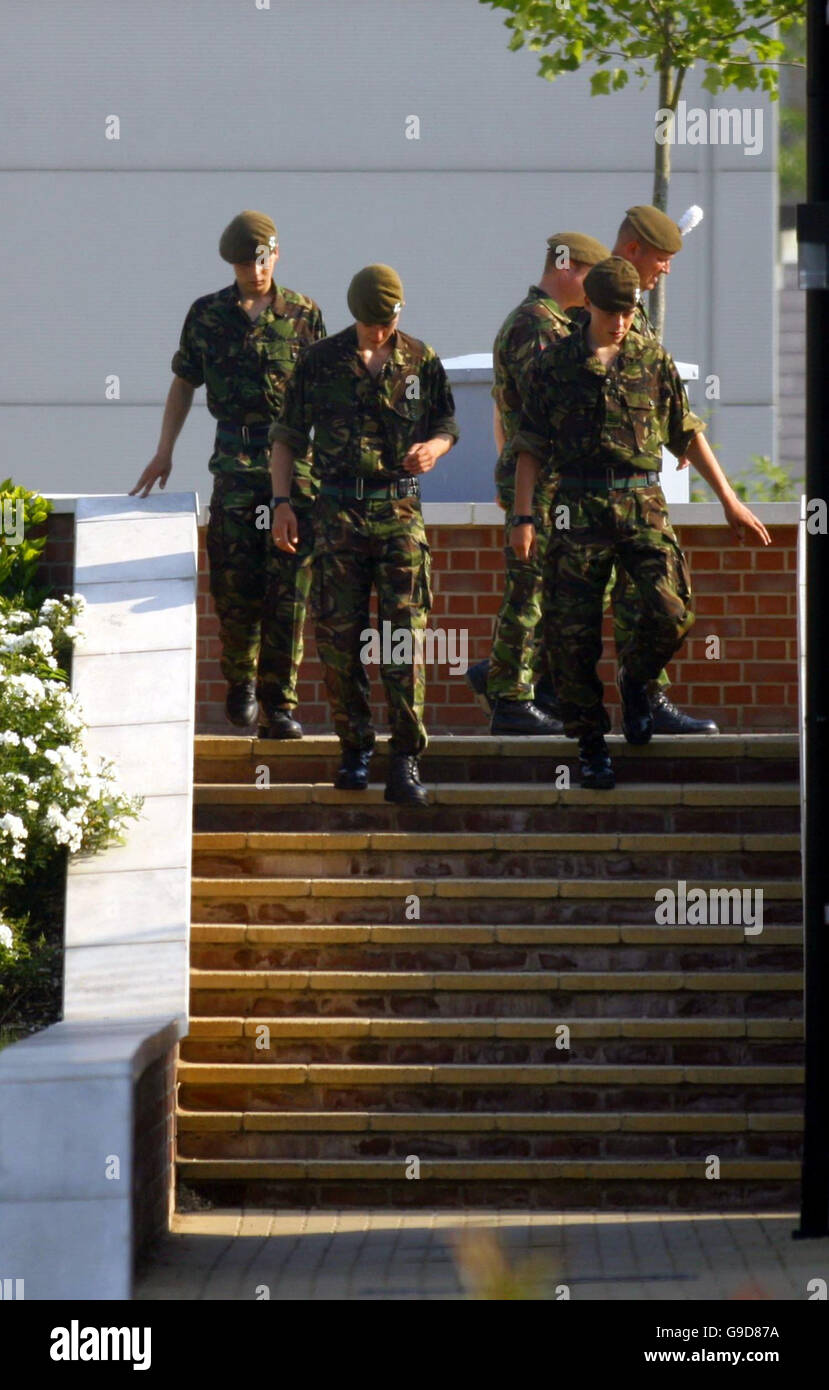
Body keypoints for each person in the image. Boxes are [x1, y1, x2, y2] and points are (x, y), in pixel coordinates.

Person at [510, 256, 771, 790]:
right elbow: (529, 446)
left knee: (673, 612)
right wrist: (522, 515)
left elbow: (685, 430)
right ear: (590, 307)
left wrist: (729, 498)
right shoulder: (552, 365)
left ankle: (638, 679)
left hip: (641, 502)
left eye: (630, 312)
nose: (622, 322)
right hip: (577, 507)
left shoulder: (651, 358)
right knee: (572, 639)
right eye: (613, 312)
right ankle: (590, 746)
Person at [130, 209, 325, 738]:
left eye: (262, 260)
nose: (254, 271)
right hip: (236, 469)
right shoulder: (207, 315)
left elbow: (323, 396)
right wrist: (164, 448)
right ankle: (240, 680)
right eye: (244, 263)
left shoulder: (305, 314)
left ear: (276, 255)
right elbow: (183, 382)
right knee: (237, 589)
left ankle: (279, 704)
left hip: (296, 471)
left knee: (289, 590)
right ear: (232, 264)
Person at [269, 264, 458, 806]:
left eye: (388, 320)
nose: (380, 331)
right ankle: (354, 749)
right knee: (339, 640)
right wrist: (283, 503)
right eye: (371, 322)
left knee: (403, 638)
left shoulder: (420, 359)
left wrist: (434, 449)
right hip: (336, 513)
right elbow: (286, 437)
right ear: (355, 316)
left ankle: (405, 758)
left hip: (398, 511)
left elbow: (447, 423)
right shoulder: (321, 361)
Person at [466, 231, 611, 736]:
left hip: (554, 480)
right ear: (569, 269)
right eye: (593, 277)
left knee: (564, 589)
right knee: (531, 587)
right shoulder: (534, 326)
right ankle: (509, 698)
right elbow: (537, 412)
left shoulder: (556, 323)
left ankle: (512, 677)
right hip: (540, 479)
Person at [603, 204, 719, 734]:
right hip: (580, 495)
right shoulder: (593, 308)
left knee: (659, 605)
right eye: (661, 259)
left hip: (635, 492)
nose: (666, 270)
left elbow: (667, 404)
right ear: (632, 252)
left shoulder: (635, 313)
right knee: (568, 619)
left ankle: (645, 698)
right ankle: (516, 686)